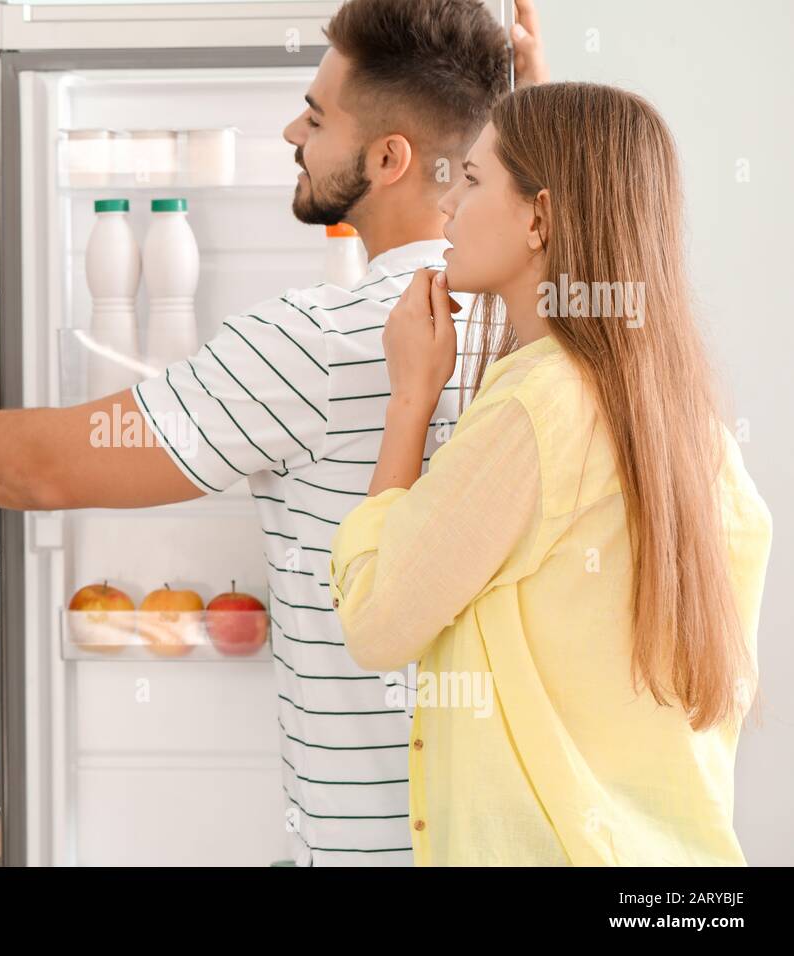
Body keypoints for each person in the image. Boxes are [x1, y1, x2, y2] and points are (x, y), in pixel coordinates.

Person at [0, 0, 546, 866]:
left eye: (315, 116)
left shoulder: (315, 341)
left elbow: (47, 471)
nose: (289, 131)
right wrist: (537, 116)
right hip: (526, 833)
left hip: (373, 845)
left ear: (389, 159)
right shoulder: (545, 329)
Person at [329, 81, 772, 865]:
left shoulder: (534, 411)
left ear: (539, 216)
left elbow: (375, 618)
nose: (446, 212)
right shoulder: (691, 427)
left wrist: (410, 400)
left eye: (469, 181)